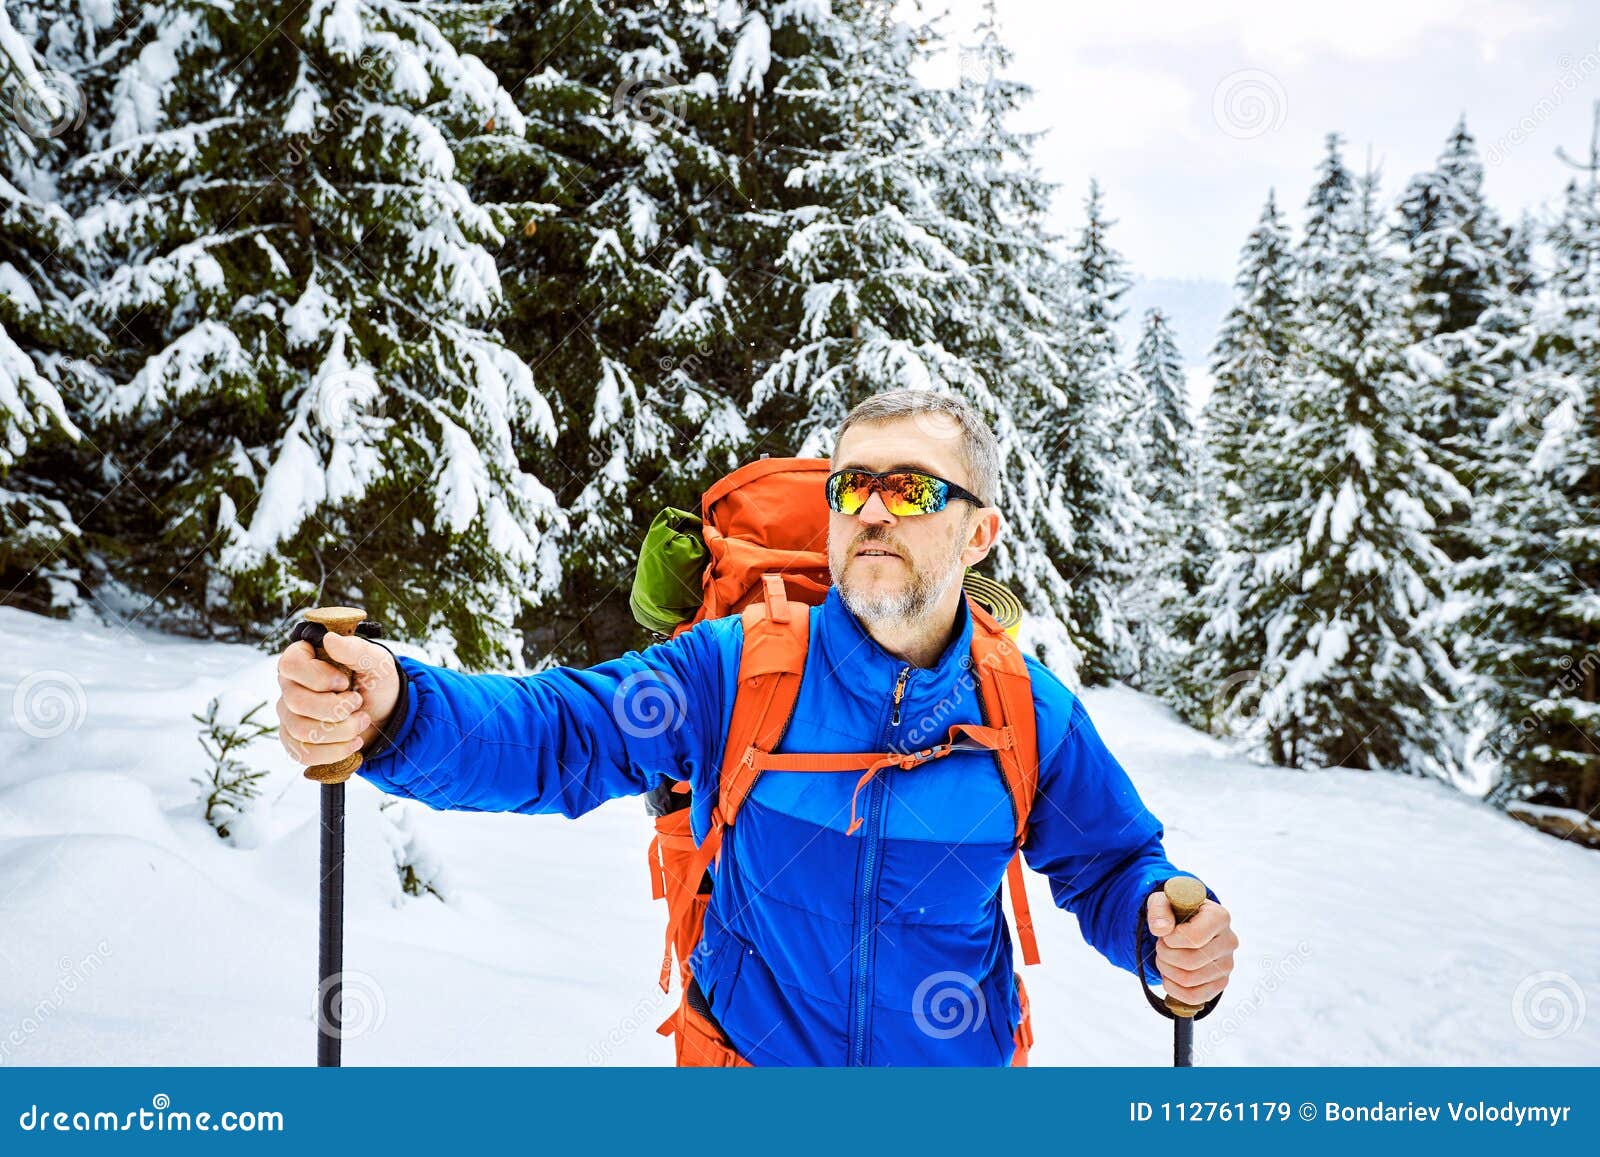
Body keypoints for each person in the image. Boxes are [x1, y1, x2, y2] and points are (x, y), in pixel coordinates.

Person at [274, 388, 1236, 1065]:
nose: (872, 511)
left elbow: (1114, 865)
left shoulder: (1027, 711)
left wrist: (1162, 928)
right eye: (851, 487)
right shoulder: (738, 668)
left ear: (978, 532)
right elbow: (561, 732)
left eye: (911, 490)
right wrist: (397, 707)